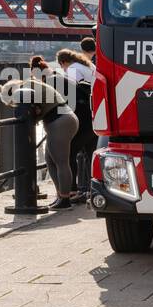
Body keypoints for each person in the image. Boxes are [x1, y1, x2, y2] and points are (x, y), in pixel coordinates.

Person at [1, 60, 80, 210]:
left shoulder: (27, 89)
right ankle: (61, 196)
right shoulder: (30, 85)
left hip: (60, 121)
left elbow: (32, 113)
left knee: (61, 162)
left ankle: (65, 199)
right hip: (63, 120)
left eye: (12, 103)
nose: (14, 105)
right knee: (51, 161)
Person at [56, 48, 97, 198]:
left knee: (70, 152)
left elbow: (70, 94)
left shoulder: (72, 70)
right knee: (91, 154)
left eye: (61, 66)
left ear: (63, 62)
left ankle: (72, 190)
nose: (62, 69)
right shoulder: (88, 66)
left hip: (83, 115)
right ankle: (92, 189)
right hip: (96, 114)